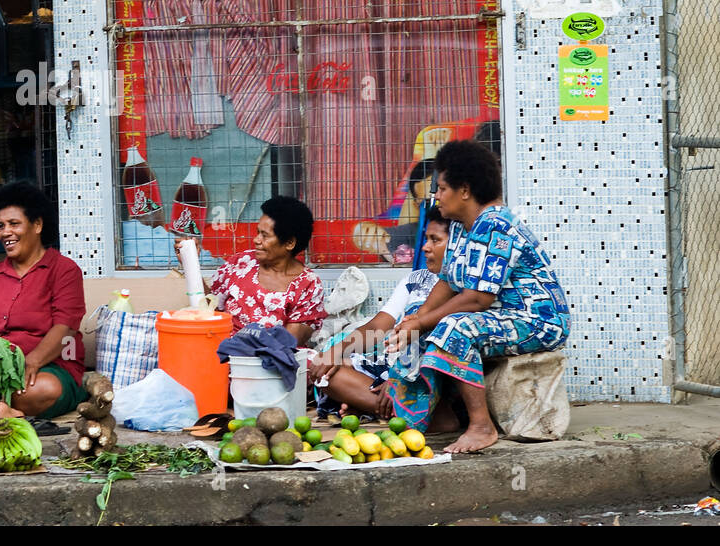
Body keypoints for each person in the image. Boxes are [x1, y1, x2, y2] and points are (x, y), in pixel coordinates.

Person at [387, 139, 569, 453]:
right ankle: (438, 414)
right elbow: (447, 282)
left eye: (442, 188)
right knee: (418, 310)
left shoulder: (495, 225)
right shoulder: (460, 225)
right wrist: (415, 318)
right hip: (497, 316)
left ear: (465, 191)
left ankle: (481, 426)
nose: (436, 196)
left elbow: (477, 299)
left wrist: (423, 323)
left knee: (455, 326)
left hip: (536, 321)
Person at [308, 207, 451, 421]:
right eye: (426, 239)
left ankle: (382, 407)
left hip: (426, 373)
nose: (425, 247)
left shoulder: (463, 285)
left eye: (435, 240)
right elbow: (376, 328)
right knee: (328, 372)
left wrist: (397, 380)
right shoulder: (415, 280)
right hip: (394, 367)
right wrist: (335, 353)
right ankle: (399, 410)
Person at [0, 181, 89, 420]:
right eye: (0, 226)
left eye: (14, 224)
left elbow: (66, 326)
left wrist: (31, 362)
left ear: (37, 225)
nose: (5, 232)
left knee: (41, 390)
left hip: (47, 367)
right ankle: (4, 409)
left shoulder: (63, 270)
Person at [206, 196, 326, 342]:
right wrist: (189, 261)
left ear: (289, 243)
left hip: (270, 359)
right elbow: (208, 308)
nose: (256, 240)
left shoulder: (308, 285)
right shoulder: (241, 263)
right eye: (258, 232)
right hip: (224, 351)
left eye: (265, 235)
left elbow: (288, 343)